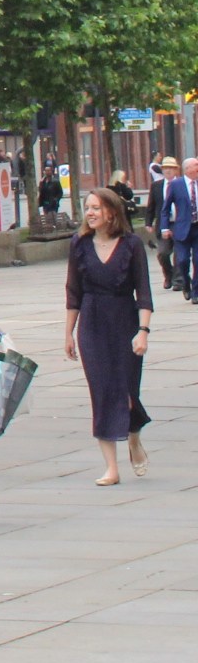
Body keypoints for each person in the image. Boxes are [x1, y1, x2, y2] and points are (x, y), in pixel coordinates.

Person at [65, 186, 153, 484]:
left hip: (124, 321)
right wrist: (68, 333)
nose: (89, 213)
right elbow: (73, 292)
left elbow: (144, 292)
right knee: (101, 392)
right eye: (87, 207)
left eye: (96, 208)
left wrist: (143, 331)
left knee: (127, 393)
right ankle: (112, 468)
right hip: (91, 322)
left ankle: (134, 438)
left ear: (112, 212)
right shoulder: (79, 243)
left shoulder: (132, 245)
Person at [156, 162, 196, 302]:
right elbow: (165, 209)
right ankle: (186, 284)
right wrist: (164, 227)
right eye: (196, 165)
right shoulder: (176, 185)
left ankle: (196, 291)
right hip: (181, 229)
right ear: (188, 169)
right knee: (182, 260)